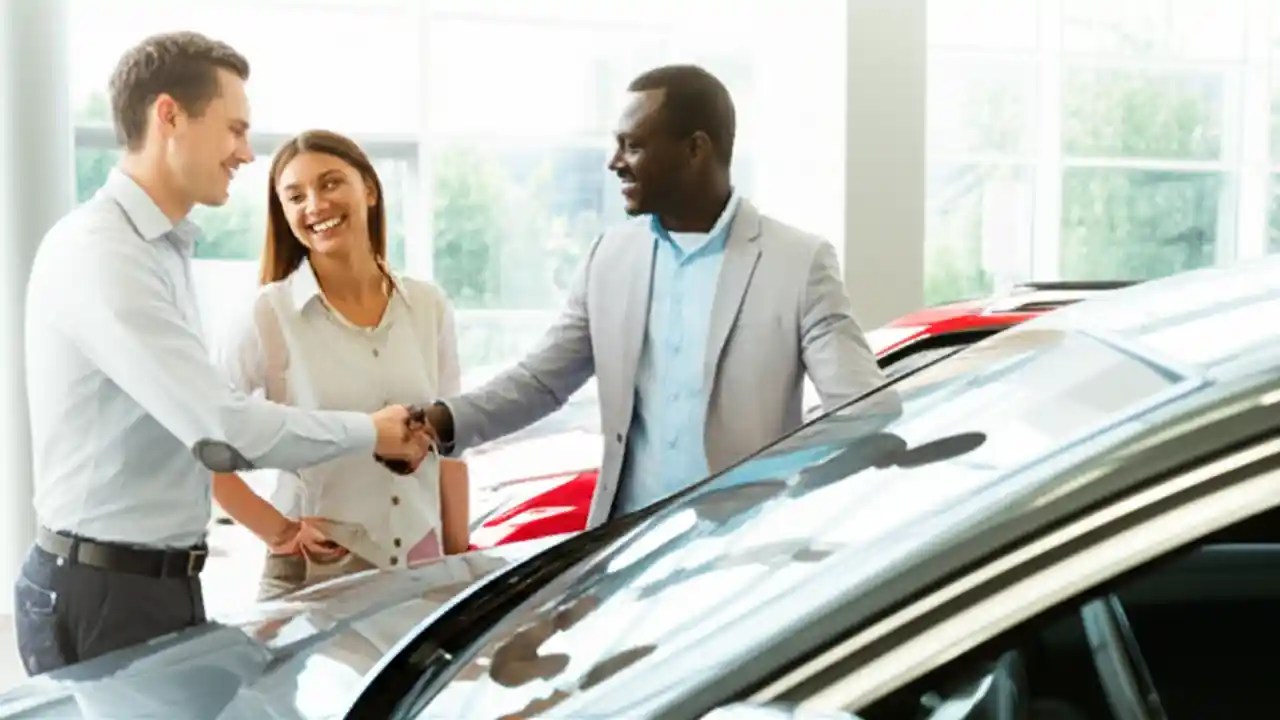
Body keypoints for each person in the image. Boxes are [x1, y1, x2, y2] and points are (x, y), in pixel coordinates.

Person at [16, 32, 430, 676]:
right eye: (234, 129)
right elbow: (220, 428)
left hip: (154, 581)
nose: (244, 152)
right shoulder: (103, 253)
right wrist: (369, 432)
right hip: (105, 589)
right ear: (169, 116)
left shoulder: (161, 251)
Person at [421, 64, 888, 526]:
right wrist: (438, 423)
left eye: (633, 145)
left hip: (748, 557)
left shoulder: (799, 262)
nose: (615, 161)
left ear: (695, 149)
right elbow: (542, 381)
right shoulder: (610, 256)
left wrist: (798, 506)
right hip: (627, 552)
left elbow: (863, 414)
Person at [212, 130, 471, 600]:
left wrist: (459, 566)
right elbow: (198, 439)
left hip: (422, 565)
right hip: (315, 576)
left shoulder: (429, 306)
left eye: (330, 184)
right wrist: (278, 531)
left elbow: (451, 449)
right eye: (295, 196)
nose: (315, 204)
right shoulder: (267, 315)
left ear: (369, 190)